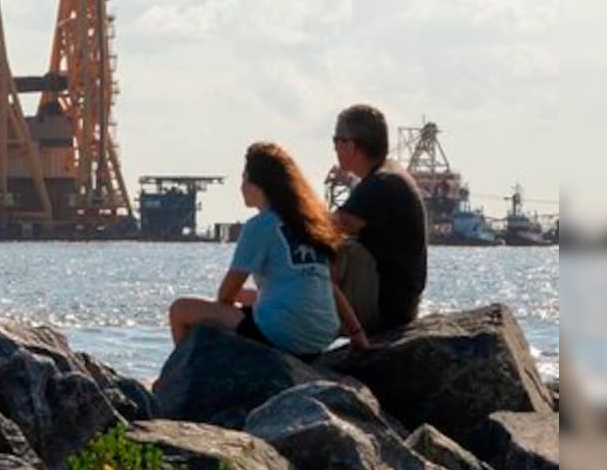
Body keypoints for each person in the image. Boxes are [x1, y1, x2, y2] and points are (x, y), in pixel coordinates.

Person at [168, 142, 369, 358]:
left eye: (244, 178)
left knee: (180, 310)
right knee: (248, 297)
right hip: (321, 335)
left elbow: (225, 295)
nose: (241, 186)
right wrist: (358, 336)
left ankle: (183, 376)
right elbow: (330, 286)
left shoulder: (260, 225)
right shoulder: (311, 224)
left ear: (257, 185)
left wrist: (225, 315)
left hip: (283, 334)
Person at [331, 104, 428, 334]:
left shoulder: (380, 185)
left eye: (336, 140)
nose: (334, 148)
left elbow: (326, 226)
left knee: (324, 247)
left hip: (383, 310)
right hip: (400, 306)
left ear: (350, 145)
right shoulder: (389, 174)